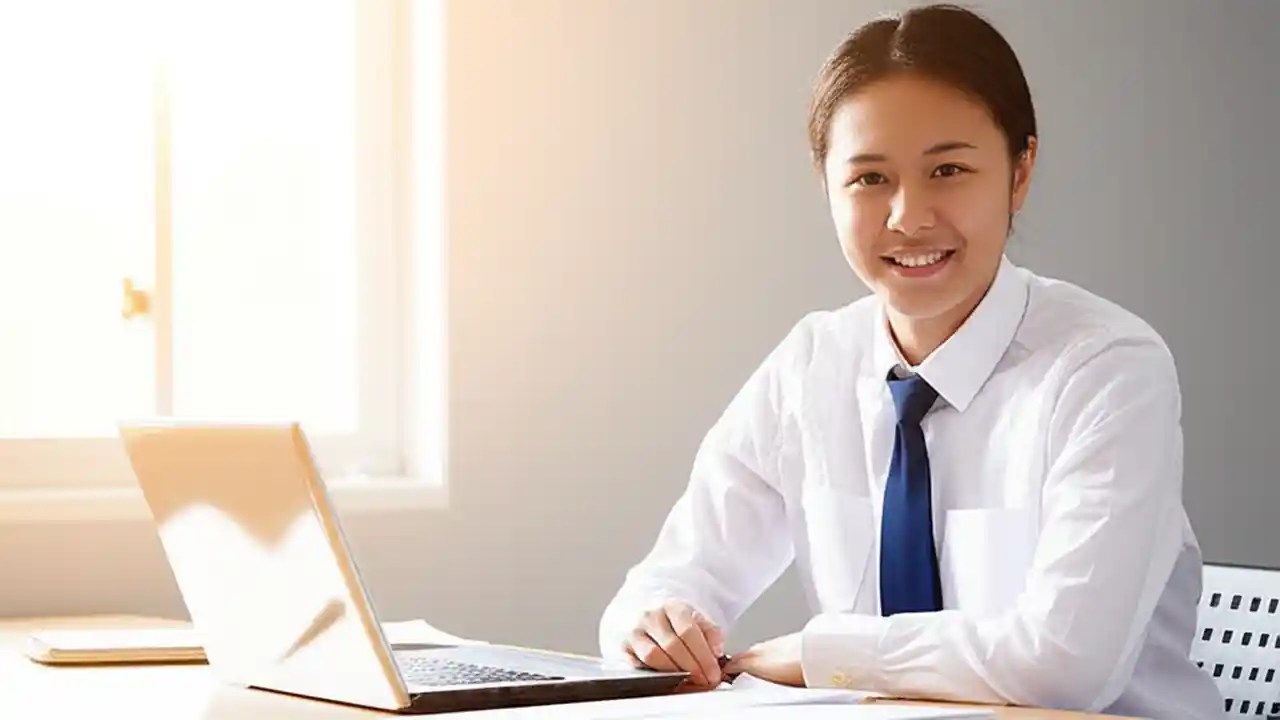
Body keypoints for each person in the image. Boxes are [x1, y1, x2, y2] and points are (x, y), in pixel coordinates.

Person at [597, 5, 1223, 718]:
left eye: (948, 170)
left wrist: (821, 654)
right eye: (869, 179)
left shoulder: (1106, 369)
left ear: (1020, 171)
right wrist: (654, 627)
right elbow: (664, 585)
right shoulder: (812, 365)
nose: (908, 217)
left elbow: (1063, 668)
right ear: (826, 186)